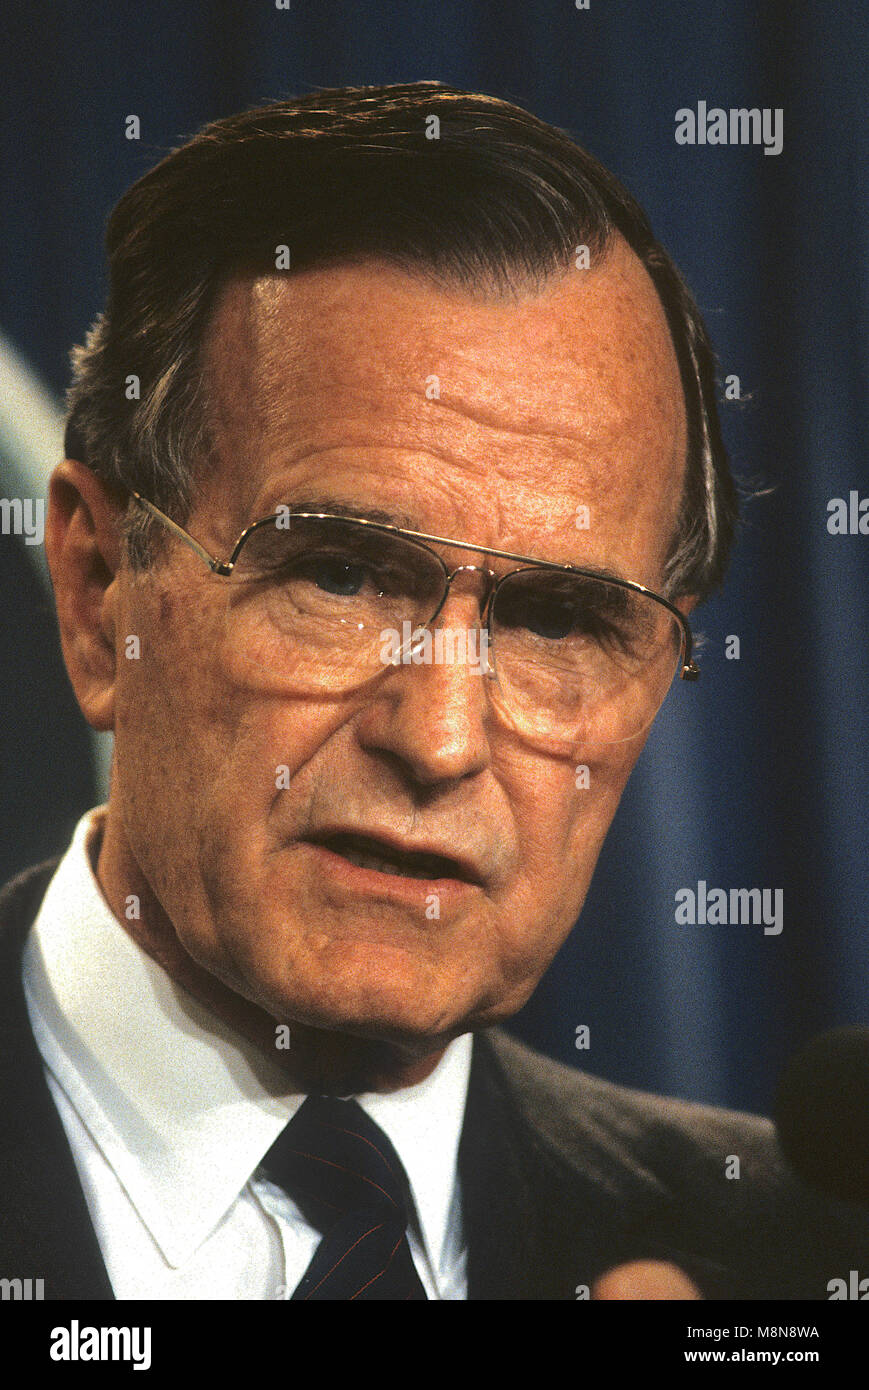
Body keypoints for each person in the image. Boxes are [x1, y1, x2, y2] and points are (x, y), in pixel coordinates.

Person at [1, 81, 865, 1301]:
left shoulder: (789, 1260)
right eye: (341, 575)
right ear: (99, 592)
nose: (440, 738)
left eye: (560, 617)